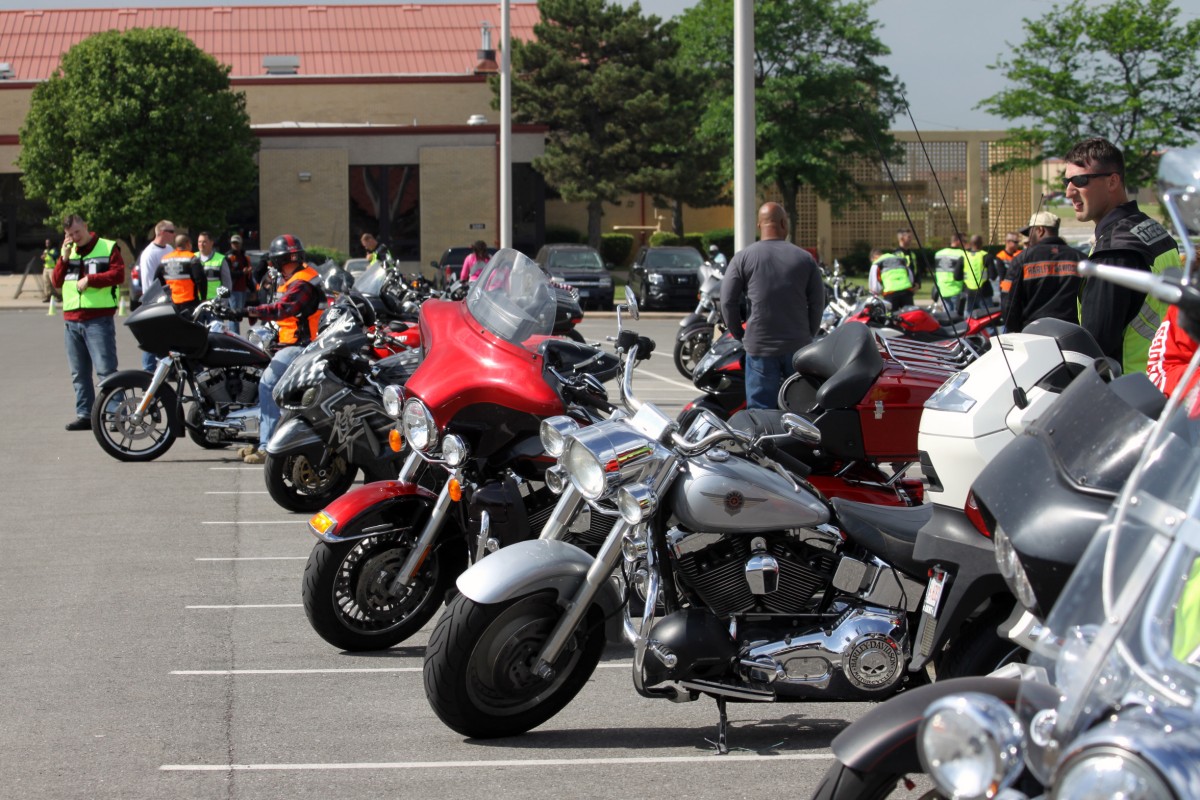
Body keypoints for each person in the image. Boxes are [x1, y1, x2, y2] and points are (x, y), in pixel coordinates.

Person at [1066, 137, 1182, 374]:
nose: (1069, 191)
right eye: (1067, 181)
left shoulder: (1114, 250)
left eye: (1080, 180)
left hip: (1129, 393)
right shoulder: (1155, 231)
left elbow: (1096, 349)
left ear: (1112, 181)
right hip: (1166, 382)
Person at [226, 235, 325, 464]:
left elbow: (282, 309)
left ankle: (267, 446)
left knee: (268, 384)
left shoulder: (303, 282)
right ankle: (261, 435)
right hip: (288, 341)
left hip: (303, 346)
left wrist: (244, 311)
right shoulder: (292, 279)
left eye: (279, 261)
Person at [719, 202, 824, 410]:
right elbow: (818, 303)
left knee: (760, 411)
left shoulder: (743, 258)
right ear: (784, 224)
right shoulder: (805, 259)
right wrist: (808, 333)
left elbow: (727, 301)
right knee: (799, 408)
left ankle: (764, 442)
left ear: (759, 225)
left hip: (759, 345)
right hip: (797, 346)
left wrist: (739, 333)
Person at [51, 214, 125, 430]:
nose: (74, 237)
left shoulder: (107, 247)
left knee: (106, 370)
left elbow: (118, 275)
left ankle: (116, 415)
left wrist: (91, 280)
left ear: (85, 226)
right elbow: (56, 282)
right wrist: (63, 258)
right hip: (71, 320)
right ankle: (85, 414)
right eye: (69, 234)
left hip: (98, 319)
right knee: (79, 372)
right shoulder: (69, 251)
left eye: (77, 232)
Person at [1002, 211, 1083, 333]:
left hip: (1033, 334)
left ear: (1040, 230)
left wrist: (1016, 330)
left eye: (1030, 232)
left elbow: (1008, 301)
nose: (1028, 238)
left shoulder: (1022, 259)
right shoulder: (1080, 258)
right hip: (1072, 334)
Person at [135, 220, 176, 369]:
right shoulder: (149, 253)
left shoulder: (169, 249)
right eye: (171, 231)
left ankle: (165, 370)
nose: (174, 234)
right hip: (155, 302)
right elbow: (149, 284)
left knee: (166, 340)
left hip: (170, 301)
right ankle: (148, 371)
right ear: (162, 232)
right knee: (152, 340)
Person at [156, 234, 206, 318]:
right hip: (189, 302)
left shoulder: (165, 259)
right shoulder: (192, 259)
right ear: (187, 244)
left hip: (171, 302)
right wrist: (203, 298)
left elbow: (157, 280)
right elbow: (200, 280)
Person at [932, 233, 967, 315]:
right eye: (964, 241)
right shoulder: (962, 254)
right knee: (956, 315)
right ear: (958, 241)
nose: (965, 243)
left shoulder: (938, 254)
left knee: (946, 313)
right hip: (956, 287)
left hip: (942, 288)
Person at [196, 231, 232, 305]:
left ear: (211, 243)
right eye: (199, 242)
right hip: (196, 301)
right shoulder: (192, 257)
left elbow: (227, 283)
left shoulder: (220, 259)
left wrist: (223, 302)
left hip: (214, 301)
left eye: (204, 242)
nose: (201, 244)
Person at [226, 234, 252, 334]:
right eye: (233, 243)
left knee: (239, 314)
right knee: (234, 313)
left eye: (237, 243)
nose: (235, 245)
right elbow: (228, 274)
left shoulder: (244, 257)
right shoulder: (229, 257)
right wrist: (242, 272)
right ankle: (234, 335)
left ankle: (234, 334)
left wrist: (252, 289)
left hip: (242, 288)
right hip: (233, 288)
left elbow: (248, 274)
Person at [991, 231, 1023, 311]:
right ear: (1008, 242)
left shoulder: (1020, 253)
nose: (1017, 244)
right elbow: (1002, 275)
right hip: (1006, 288)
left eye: (1018, 242)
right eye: (1015, 242)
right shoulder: (1000, 256)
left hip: (1018, 287)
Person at [961, 234, 990, 314]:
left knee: (969, 318)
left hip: (968, 291)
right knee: (986, 317)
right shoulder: (985, 255)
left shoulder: (964, 256)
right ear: (981, 243)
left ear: (971, 243)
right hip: (984, 290)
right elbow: (993, 275)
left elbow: (957, 276)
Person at [39, 238, 60, 303]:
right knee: (46, 283)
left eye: (48, 243)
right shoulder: (45, 250)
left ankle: (59, 296)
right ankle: (47, 296)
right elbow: (46, 258)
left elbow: (56, 256)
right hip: (46, 268)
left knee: (54, 282)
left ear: (51, 243)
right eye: (46, 243)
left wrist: (49, 253)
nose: (47, 244)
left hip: (52, 268)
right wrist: (43, 257)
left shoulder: (54, 250)